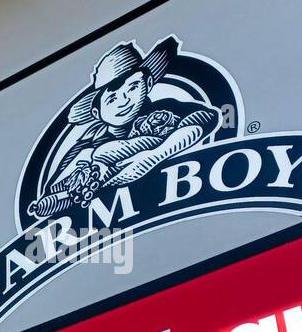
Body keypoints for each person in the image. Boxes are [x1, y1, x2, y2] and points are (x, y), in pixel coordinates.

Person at [27, 36, 220, 220]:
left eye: (133, 87)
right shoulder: (86, 148)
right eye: (111, 98)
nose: (124, 100)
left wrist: (153, 154)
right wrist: (95, 165)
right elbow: (52, 194)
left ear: (148, 84)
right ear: (96, 112)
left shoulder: (166, 109)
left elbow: (206, 117)